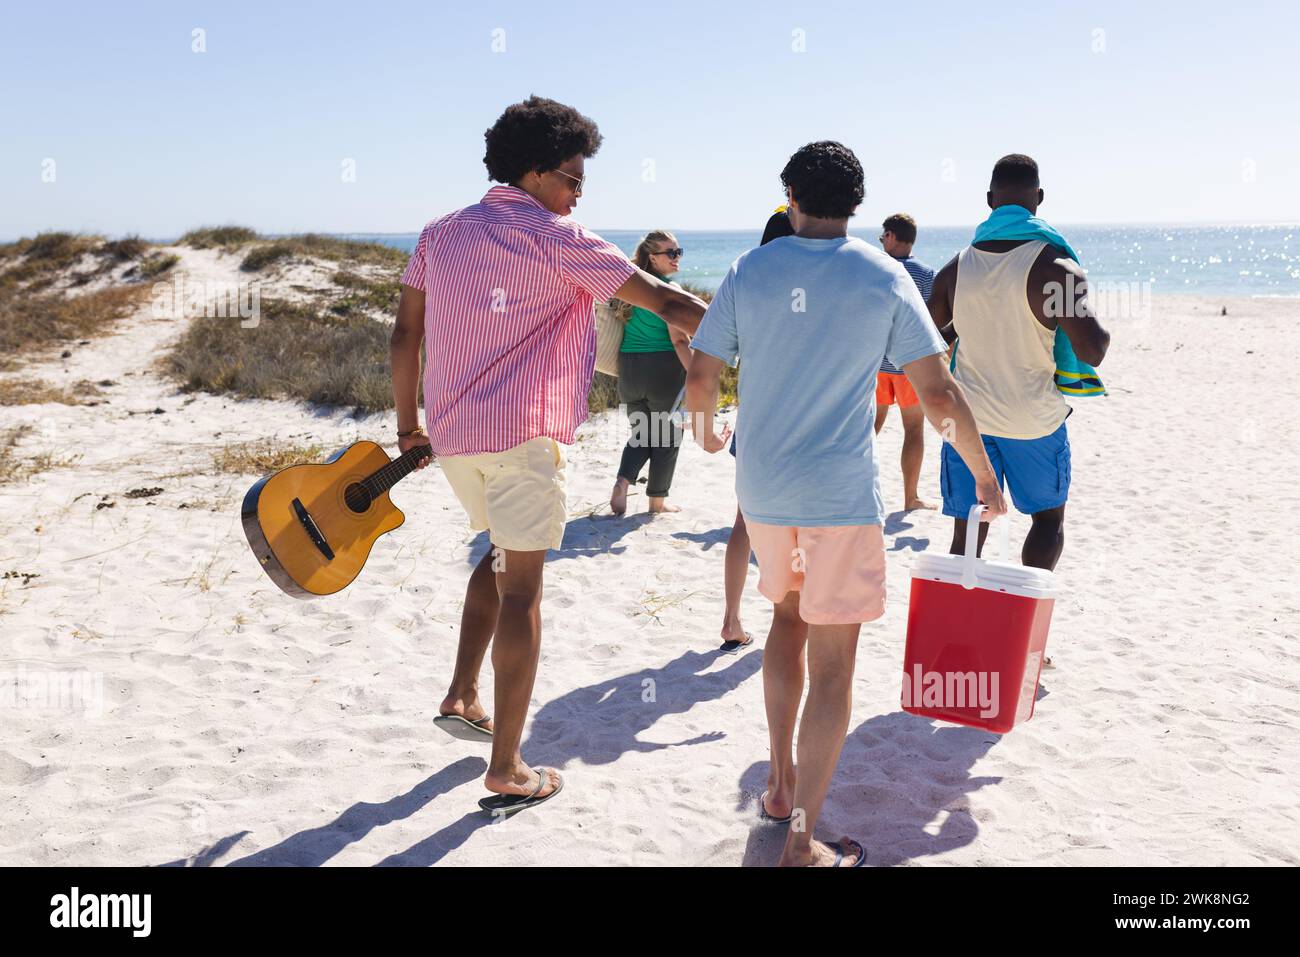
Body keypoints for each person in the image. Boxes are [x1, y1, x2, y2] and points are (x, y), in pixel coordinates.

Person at [686, 141, 1006, 866]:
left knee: (785, 619)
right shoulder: (883, 275)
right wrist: (983, 474)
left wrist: (706, 435)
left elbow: (703, 370)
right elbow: (938, 392)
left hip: (764, 490)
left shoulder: (750, 268)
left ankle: (776, 780)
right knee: (833, 666)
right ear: (857, 204)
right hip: (837, 496)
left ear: (790, 194)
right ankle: (801, 838)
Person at [390, 96, 708, 815]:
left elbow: (404, 336)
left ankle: (464, 692)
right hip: (524, 435)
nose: (577, 194)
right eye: (572, 178)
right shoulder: (558, 235)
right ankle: (507, 764)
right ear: (534, 174)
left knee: (499, 557)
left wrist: (408, 427)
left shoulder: (439, 234)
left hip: (454, 437)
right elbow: (662, 299)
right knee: (525, 590)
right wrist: (753, 331)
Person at [928, 154, 1110, 575]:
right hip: (1033, 420)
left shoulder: (956, 268)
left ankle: (962, 618)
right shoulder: (1055, 266)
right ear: (1039, 199)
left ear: (990, 200)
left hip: (968, 420)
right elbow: (1091, 351)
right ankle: (1026, 612)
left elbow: (928, 339)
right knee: (1047, 520)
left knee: (969, 528)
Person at [720, 205, 795, 653]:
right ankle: (786, 620)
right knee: (795, 528)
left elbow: (721, 351)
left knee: (744, 522)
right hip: (798, 423)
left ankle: (731, 619)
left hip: (754, 419)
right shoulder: (817, 286)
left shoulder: (748, 282)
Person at [610, 231, 693, 515]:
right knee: (668, 438)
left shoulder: (630, 290)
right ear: (652, 258)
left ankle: (623, 481)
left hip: (630, 369)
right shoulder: (671, 291)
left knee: (642, 434)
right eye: (670, 253)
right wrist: (698, 374)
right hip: (663, 370)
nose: (677, 257)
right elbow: (679, 341)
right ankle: (657, 502)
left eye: (678, 251)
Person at [875, 213, 938, 511]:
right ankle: (910, 498)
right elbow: (932, 322)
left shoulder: (875, 270)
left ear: (890, 236)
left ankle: (857, 491)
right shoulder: (926, 275)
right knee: (913, 430)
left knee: (866, 431)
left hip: (874, 365)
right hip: (908, 366)